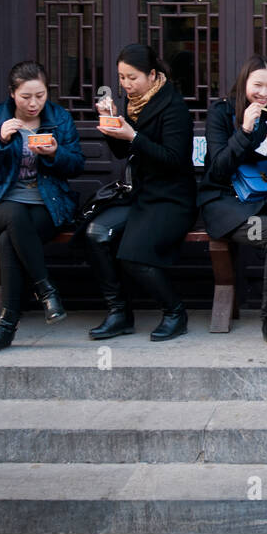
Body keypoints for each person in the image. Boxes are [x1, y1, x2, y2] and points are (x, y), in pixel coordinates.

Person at [84, 44, 197, 342]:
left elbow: (173, 159)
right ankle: (119, 314)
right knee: (97, 233)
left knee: (135, 257)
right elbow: (125, 152)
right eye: (121, 78)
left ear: (152, 75)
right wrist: (111, 125)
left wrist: (132, 134)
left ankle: (175, 312)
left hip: (172, 198)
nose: (126, 85)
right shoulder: (134, 104)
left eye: (132, 78)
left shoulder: (174, 108)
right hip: (140, 194)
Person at [0, 61, 84, 352]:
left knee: (10, 238)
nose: (34, 104)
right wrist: (0, 139)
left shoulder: (59, 117)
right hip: (3, 200)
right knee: (14, 216)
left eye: (40, 96)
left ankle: (6, 327)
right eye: (26, 97)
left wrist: (56, 152)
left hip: (48, 203)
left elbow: (77, 164)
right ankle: (46, 288)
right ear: (12, 94)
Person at [199, 54, 267, 349]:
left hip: (260, 197)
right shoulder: (220, 113)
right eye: (257, 85)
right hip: (224, 204)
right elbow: (218, 168)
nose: (264, 92)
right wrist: (244, 131)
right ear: (244, 83)